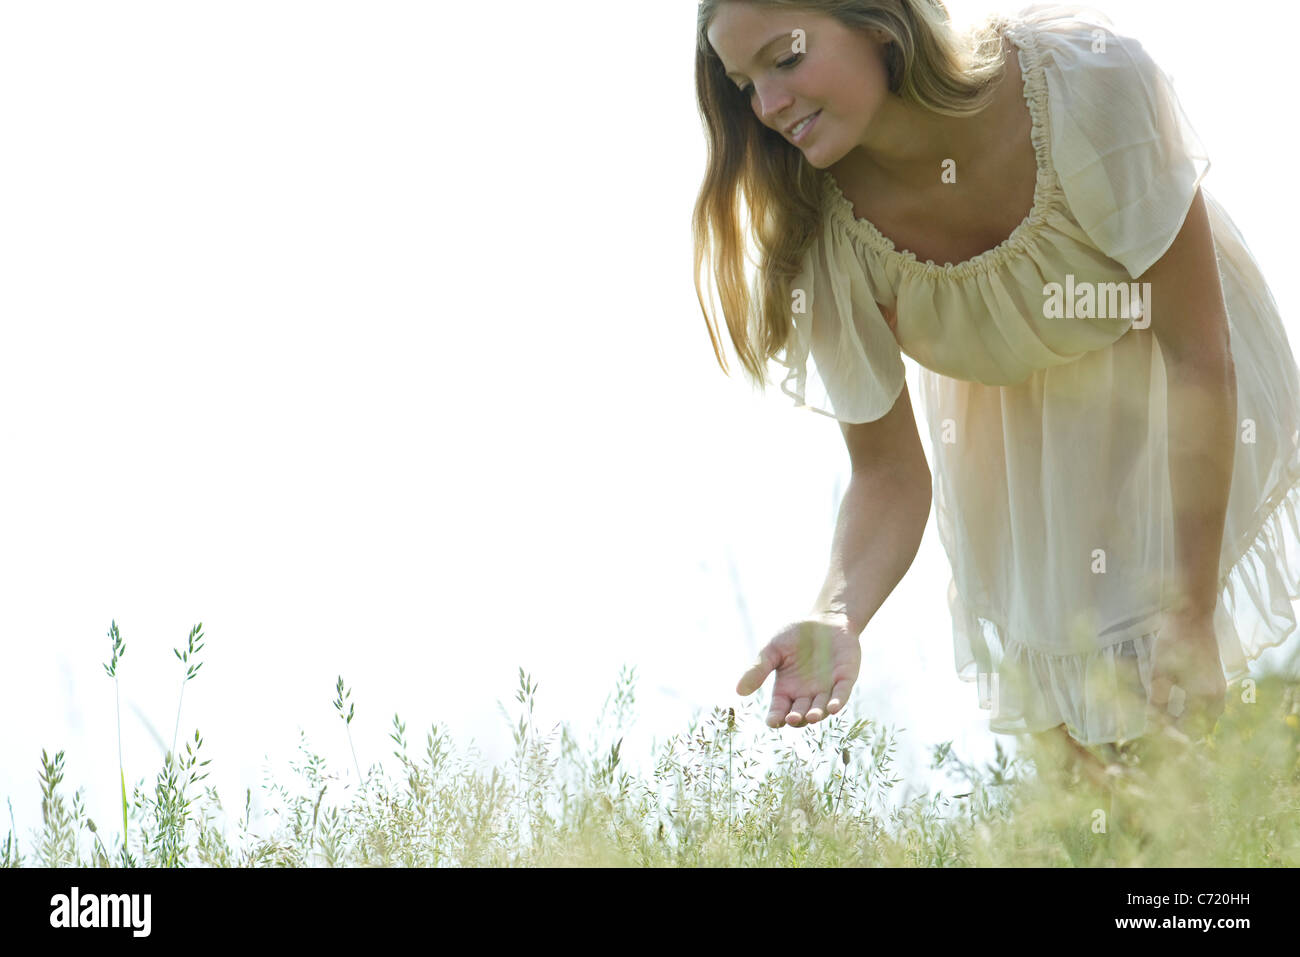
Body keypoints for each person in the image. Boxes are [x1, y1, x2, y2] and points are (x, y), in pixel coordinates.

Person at [691, 0, 1300, 772]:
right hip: (1016, 461)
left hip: (1176, 393)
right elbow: (887, 475)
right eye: (744, 83)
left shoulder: (1088, 85)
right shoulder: (819, 234)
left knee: (1190, 748)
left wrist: (1191, 611)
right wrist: (836, 616)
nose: (768, 106)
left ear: (881, 25)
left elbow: (1197, 357)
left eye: (785, 60)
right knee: (1093, 793)